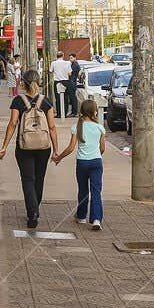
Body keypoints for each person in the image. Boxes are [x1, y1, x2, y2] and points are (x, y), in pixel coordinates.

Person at [1, 69, 58, 229]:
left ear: (24, 83)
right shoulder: (46, 102)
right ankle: (35, 208)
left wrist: (4, 146)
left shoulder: (18, 101)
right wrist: (56, 150)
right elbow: (52, 127)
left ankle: (31, 211)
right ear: (38, 82)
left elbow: (12, 124)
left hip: (24, 146)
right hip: (44, 146)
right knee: (39, 179)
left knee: (27, 179)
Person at [55, 95, 106, 230]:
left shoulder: (76, 127)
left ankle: (81, 216)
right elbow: (102, 148)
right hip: (96, 162)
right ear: (94, 111)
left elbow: (71, 148)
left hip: (82, 163)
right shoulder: (100, 128)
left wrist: (58, 157)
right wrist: (97, 156)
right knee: (96, 190)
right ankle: (96, 219)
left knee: (83, 190)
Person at [49, 51, 72, 117]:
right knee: (65, 97)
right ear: (63, 56)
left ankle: (59, 113)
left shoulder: (53, 63)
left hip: (57, 82)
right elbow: (70, 73)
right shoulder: (67, 63)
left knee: (57, 98)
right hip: (65, 81)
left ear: (56, 56)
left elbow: (50, 71)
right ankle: (65, 113)